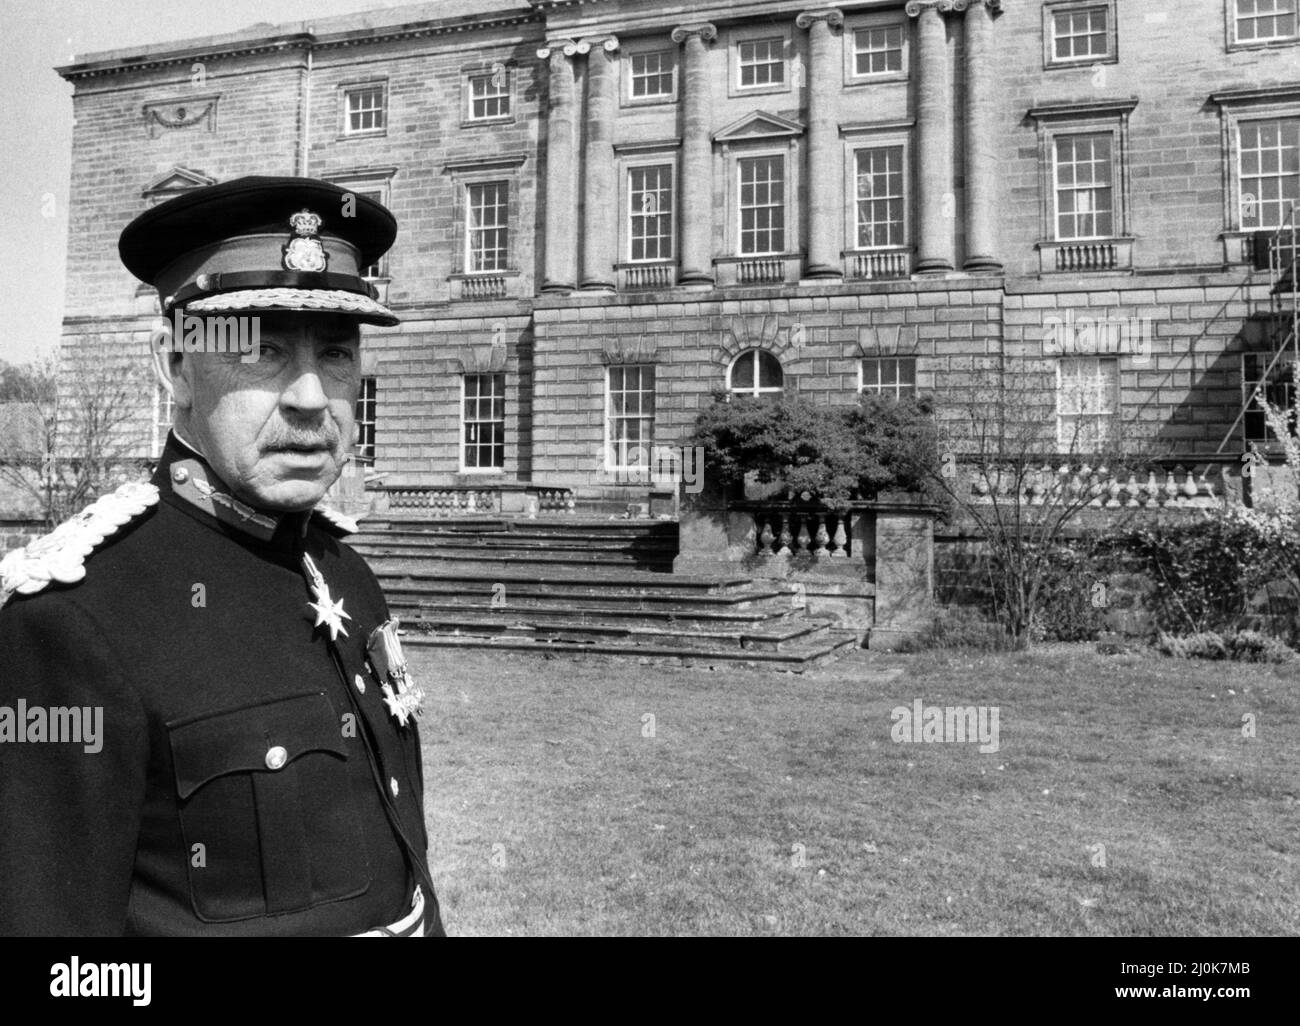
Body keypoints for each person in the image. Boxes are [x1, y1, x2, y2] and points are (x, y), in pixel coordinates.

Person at [0, 176, 445, 936]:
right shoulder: (71, 622)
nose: (311, 397)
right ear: (175, 368)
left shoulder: (342, 570)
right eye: (262, 350)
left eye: (336, 353)